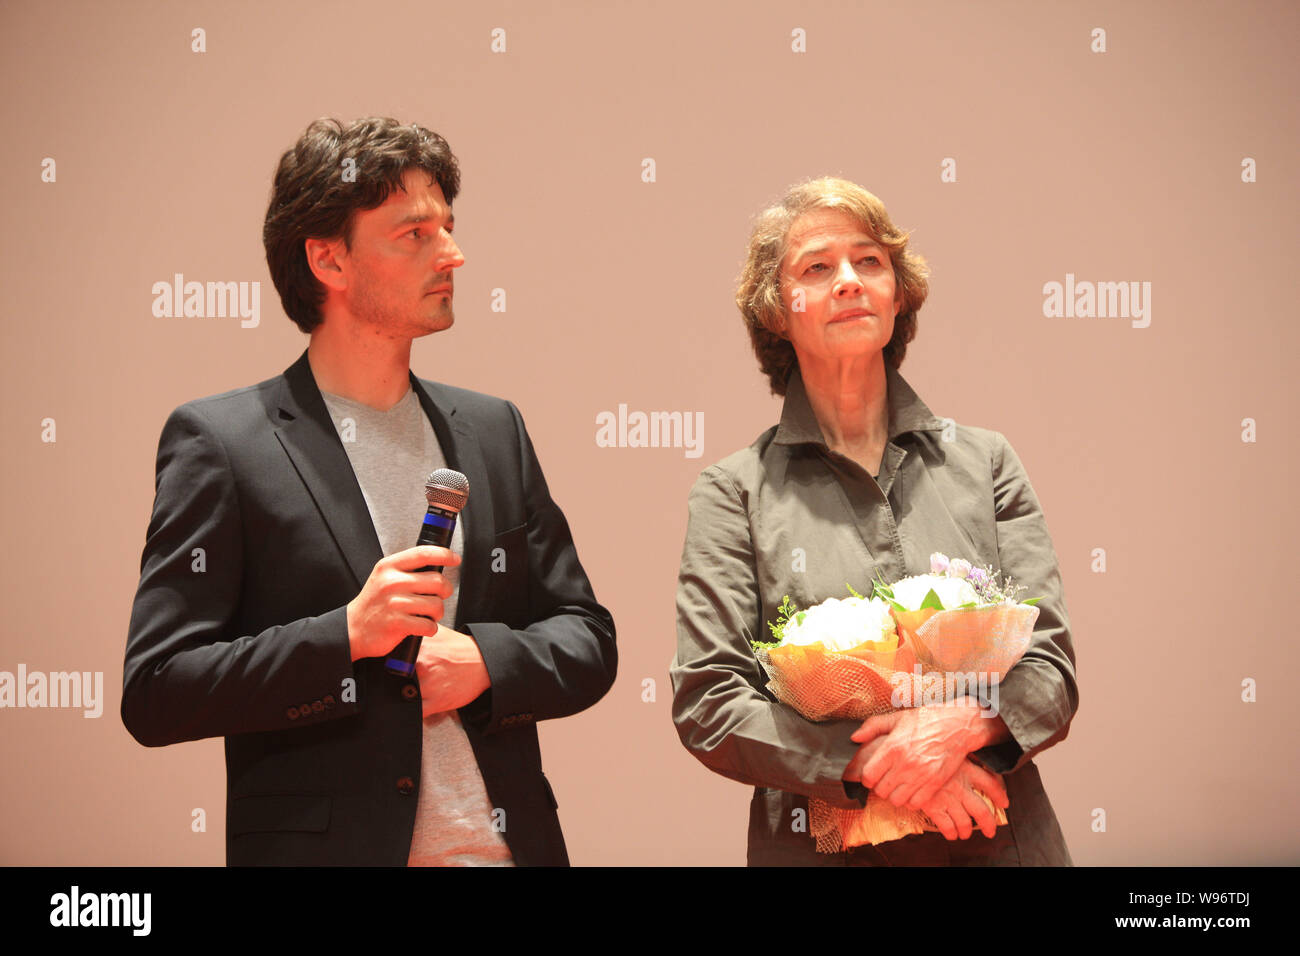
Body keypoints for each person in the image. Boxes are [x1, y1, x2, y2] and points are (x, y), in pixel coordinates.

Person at [121, 117, 617, 866]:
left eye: (448, 227)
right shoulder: (224, 442)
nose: (453, 253)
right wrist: (347, 633)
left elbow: (586, 636)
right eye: (414, 233)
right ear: (329, 259)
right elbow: (159, 690)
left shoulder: (492, 429)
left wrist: (485, 663)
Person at [671, 177, 1076, 866]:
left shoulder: (984, 462)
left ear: (898, 294)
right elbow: (709, 703)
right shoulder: (733, 493)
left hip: (994, 838)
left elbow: (1051, 667)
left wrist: (959, 727)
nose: (850, 282)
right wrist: (871, 764)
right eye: (817, 268)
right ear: (776, 310)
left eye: (870, 262)